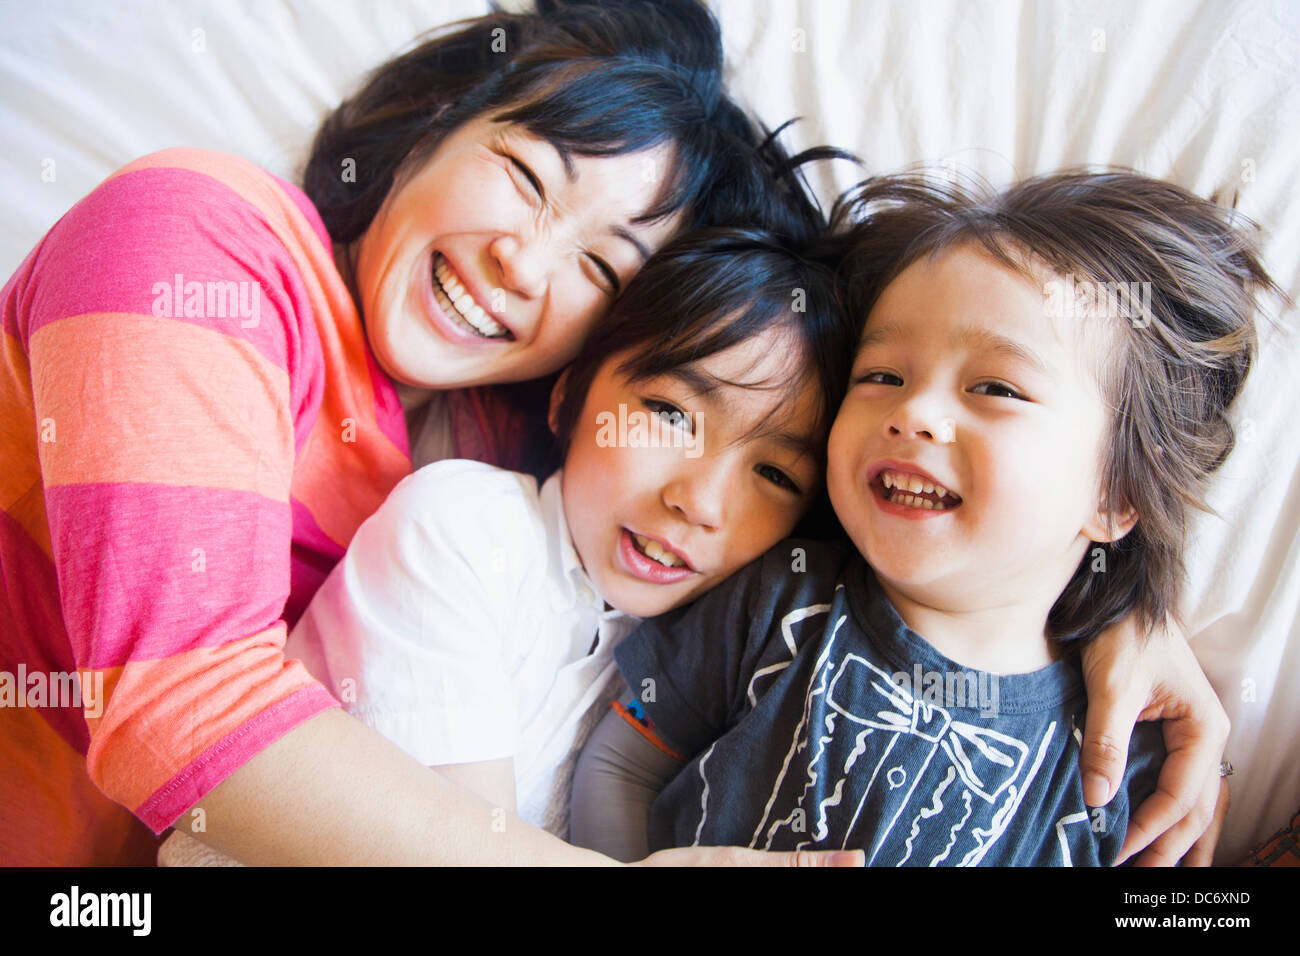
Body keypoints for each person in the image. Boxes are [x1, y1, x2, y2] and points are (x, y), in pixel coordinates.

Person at [0, 0, 1227, 866]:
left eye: (603, 261)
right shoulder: (194, 237)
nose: (520, 263)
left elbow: (786, 437)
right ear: (430, 124)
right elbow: (178, 706)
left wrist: (1109, 598)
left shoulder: (501, 430)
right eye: (528, 176)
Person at [569, 169, 1276, 864]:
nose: (913, 413)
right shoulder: (777, 603)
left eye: (996, 387)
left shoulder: (1118, 751)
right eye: (881, 376)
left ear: (1115, 496)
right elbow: (623, 766)